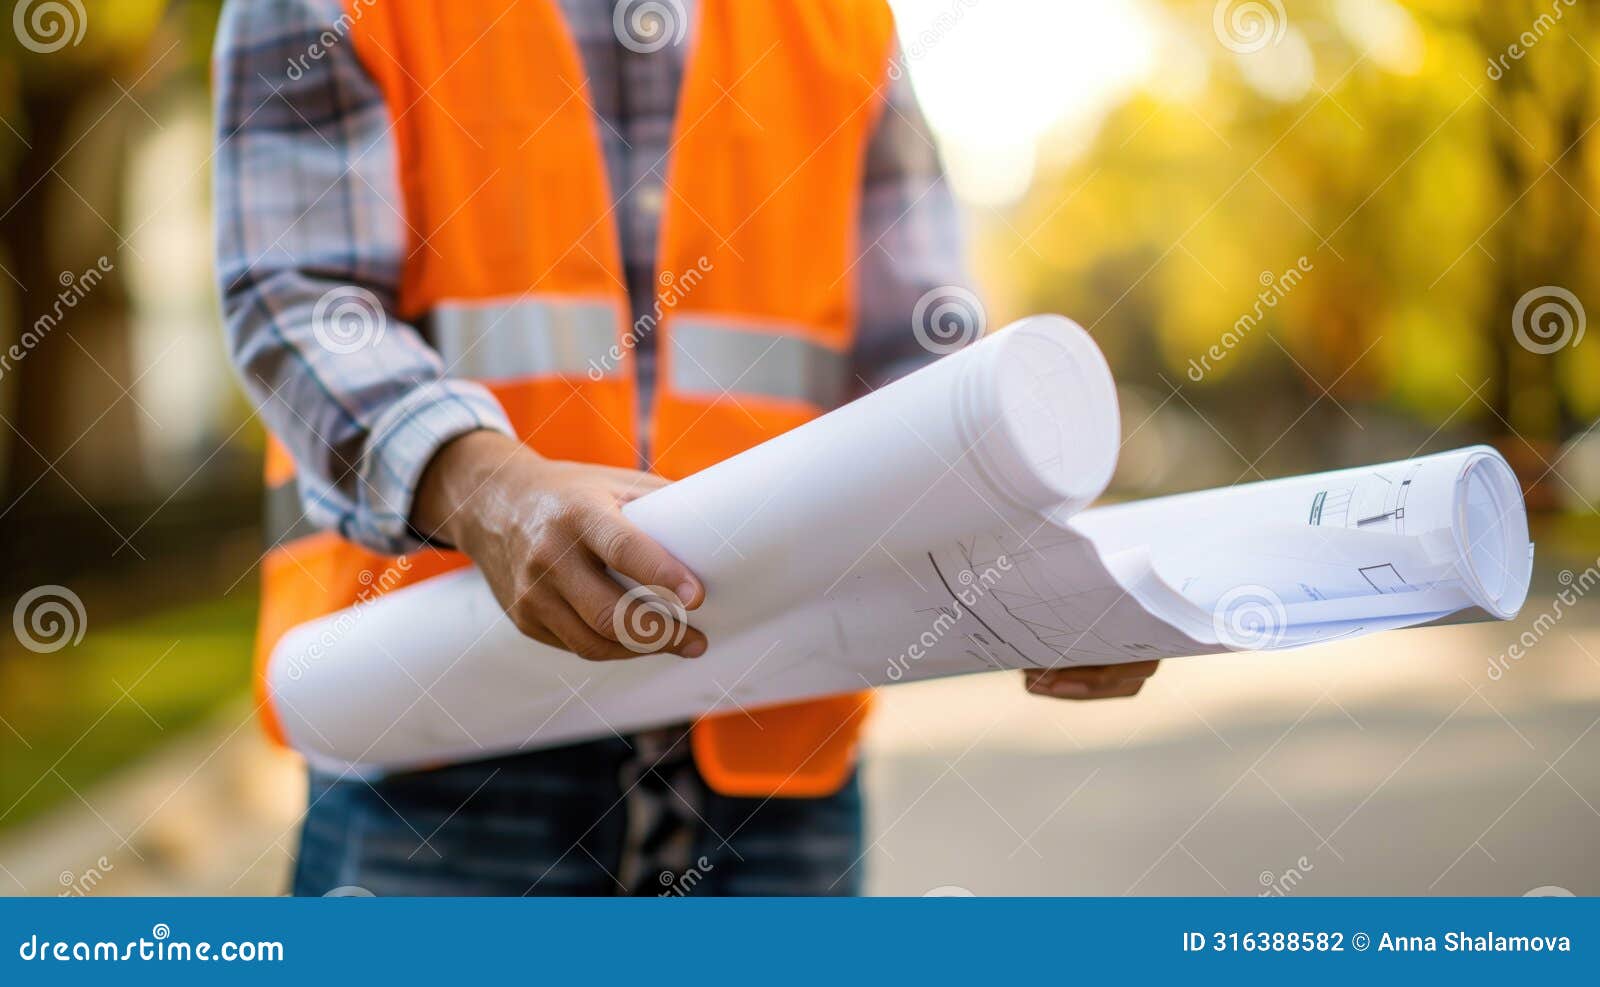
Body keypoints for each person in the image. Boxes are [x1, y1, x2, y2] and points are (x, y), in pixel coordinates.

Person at [214, 0, 1159, 897]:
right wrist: (483, 488)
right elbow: (298, 297)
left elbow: (917, 354)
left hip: (772, 755)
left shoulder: (839, 20)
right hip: (439, 748)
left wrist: (1041, 555)